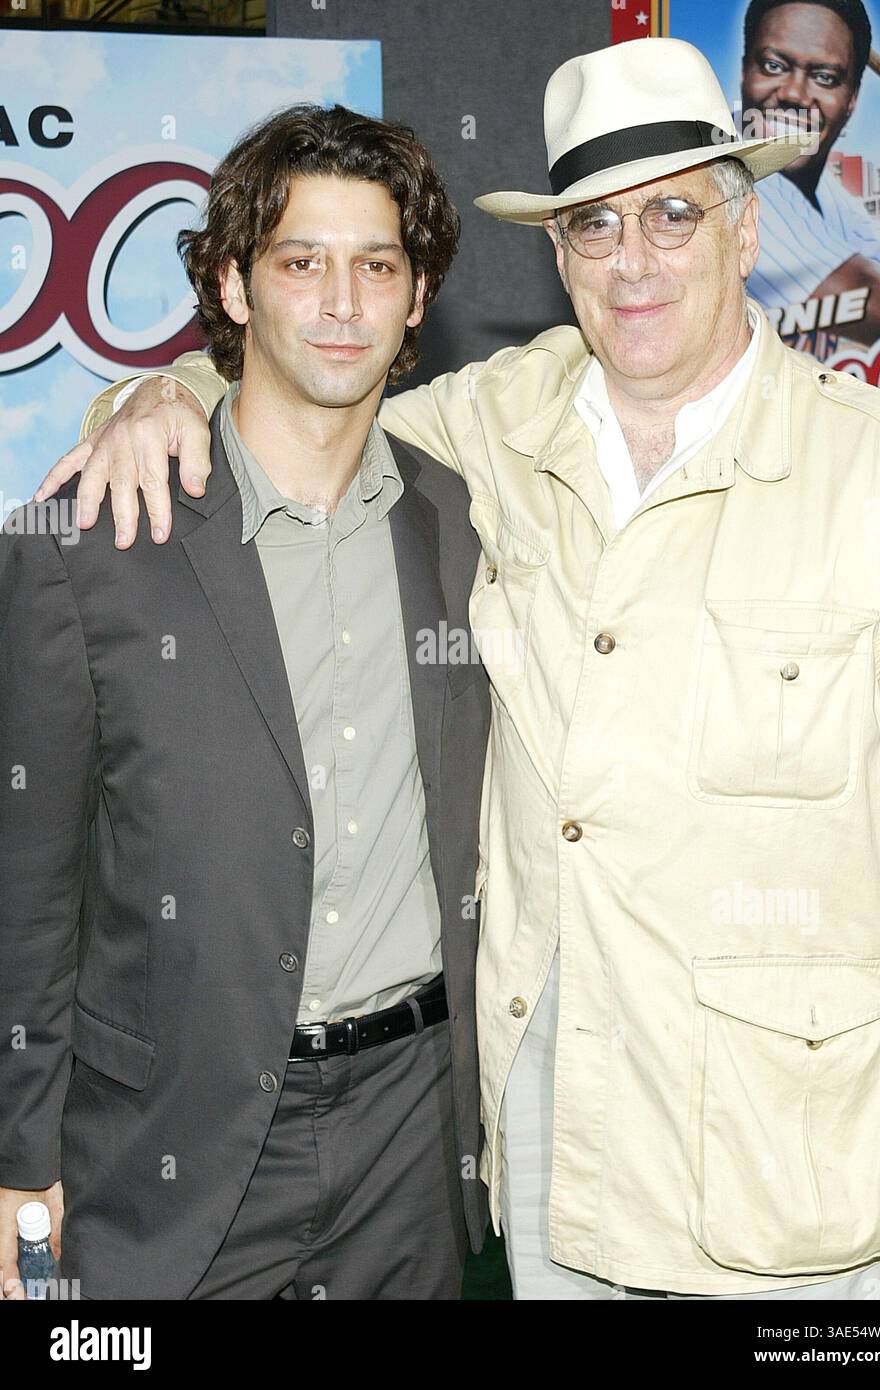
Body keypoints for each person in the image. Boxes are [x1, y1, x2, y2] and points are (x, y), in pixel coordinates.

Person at [36, 38, 880, 1300]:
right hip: (556, 1162)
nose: (633, 260)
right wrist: (156, 397)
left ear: (745, 232)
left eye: (675, 215)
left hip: (791, 1175)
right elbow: (299, 395)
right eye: (594, 225)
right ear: (558, 256)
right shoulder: (493, 428)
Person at [0, 103, 491, 1301]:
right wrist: (16, 1163)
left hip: (410, 1138)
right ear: (232, 283)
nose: (342, 302)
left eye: (378, 266)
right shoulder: (84, 540)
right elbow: (22, 891)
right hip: (162, 1148)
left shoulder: (462, 523)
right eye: (300, 262)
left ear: (418, 297)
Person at [740, 0, 880, 356]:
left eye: (824, 77)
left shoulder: (812, 182)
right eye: (774, 66)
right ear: (745, 71)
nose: (794, 94)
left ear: (851, 100)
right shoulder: (740, 177)